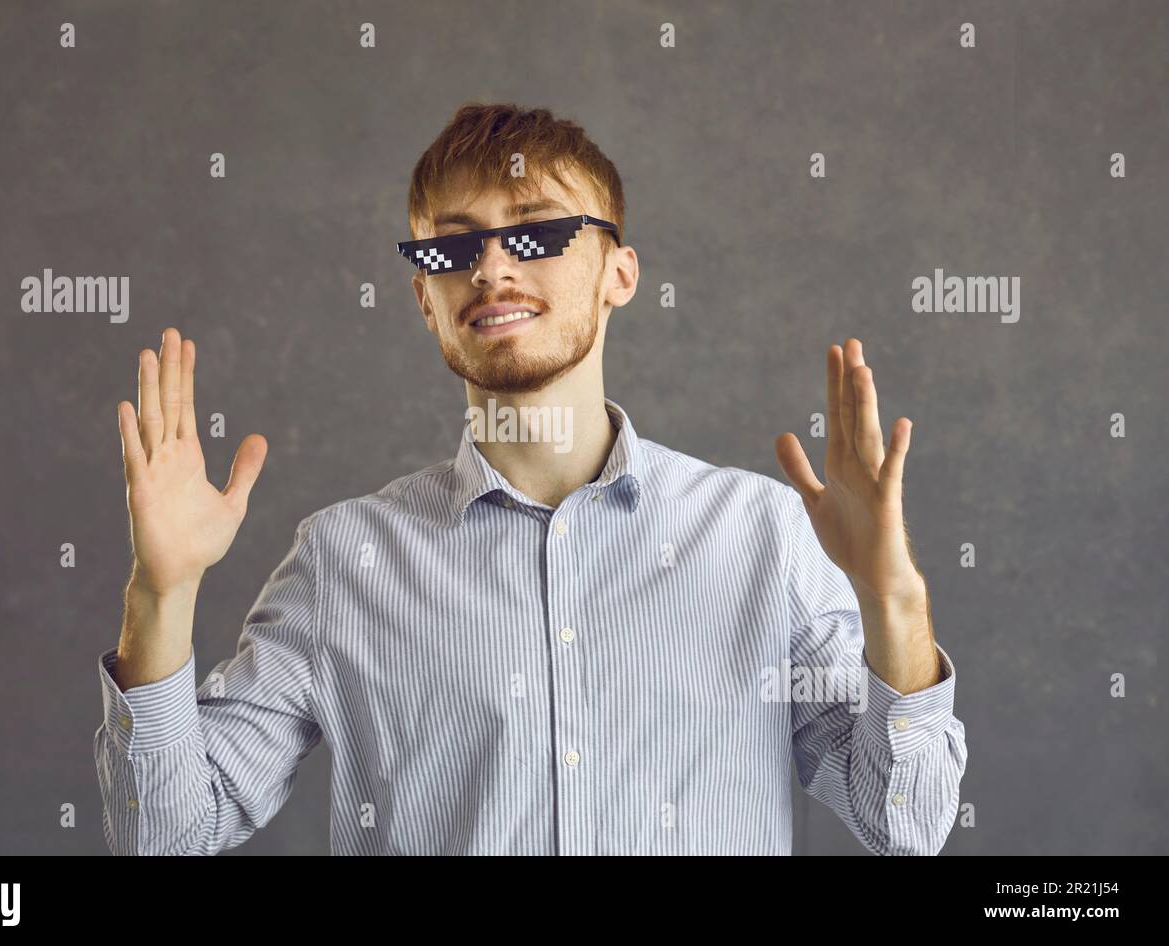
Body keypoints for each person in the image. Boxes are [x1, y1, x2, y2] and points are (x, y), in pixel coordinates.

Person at [94, 102, 966, 855]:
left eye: (539, 231)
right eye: (455, 247)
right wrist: (159, 596)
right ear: (424, 300)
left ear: (619, 273)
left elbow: (908, 825)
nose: (493, 268)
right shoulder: (342, 560)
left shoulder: (762, 536)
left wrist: (893, 597)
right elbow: (166, 835)